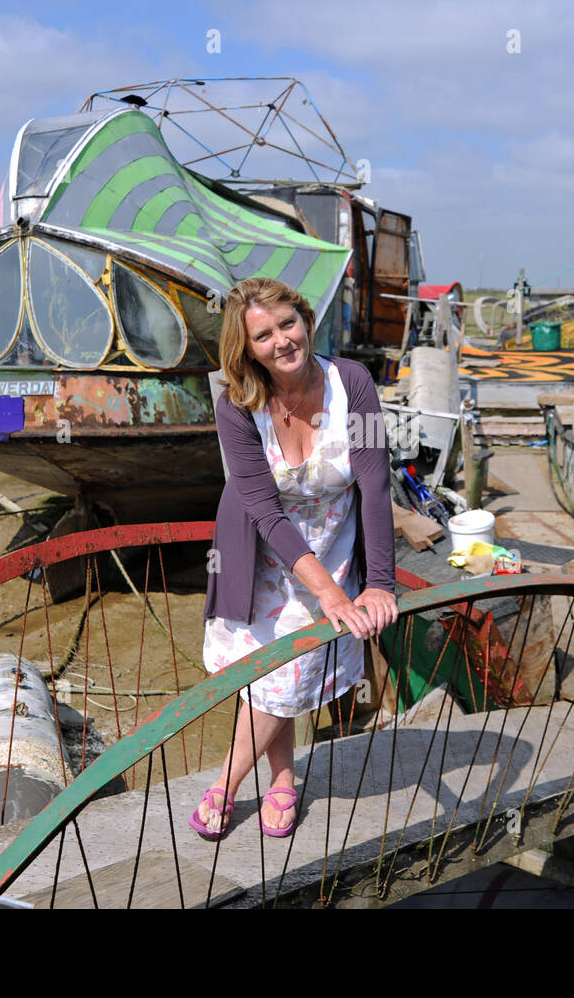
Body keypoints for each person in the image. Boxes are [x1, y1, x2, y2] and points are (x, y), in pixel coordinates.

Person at [190, 277, 397, 840]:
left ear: (305, 320)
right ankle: (282, 779)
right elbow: (262, 507)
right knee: (267, 678)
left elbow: (375, 487)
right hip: (256, 551)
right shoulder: (235, 405)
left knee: (285, 675)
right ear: (247, 348)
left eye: (288, 323)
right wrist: (327, 594)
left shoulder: (353, 384)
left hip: (332, 547)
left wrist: (378, 583)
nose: (282, 340)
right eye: (264, 335)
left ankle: (226, 784)